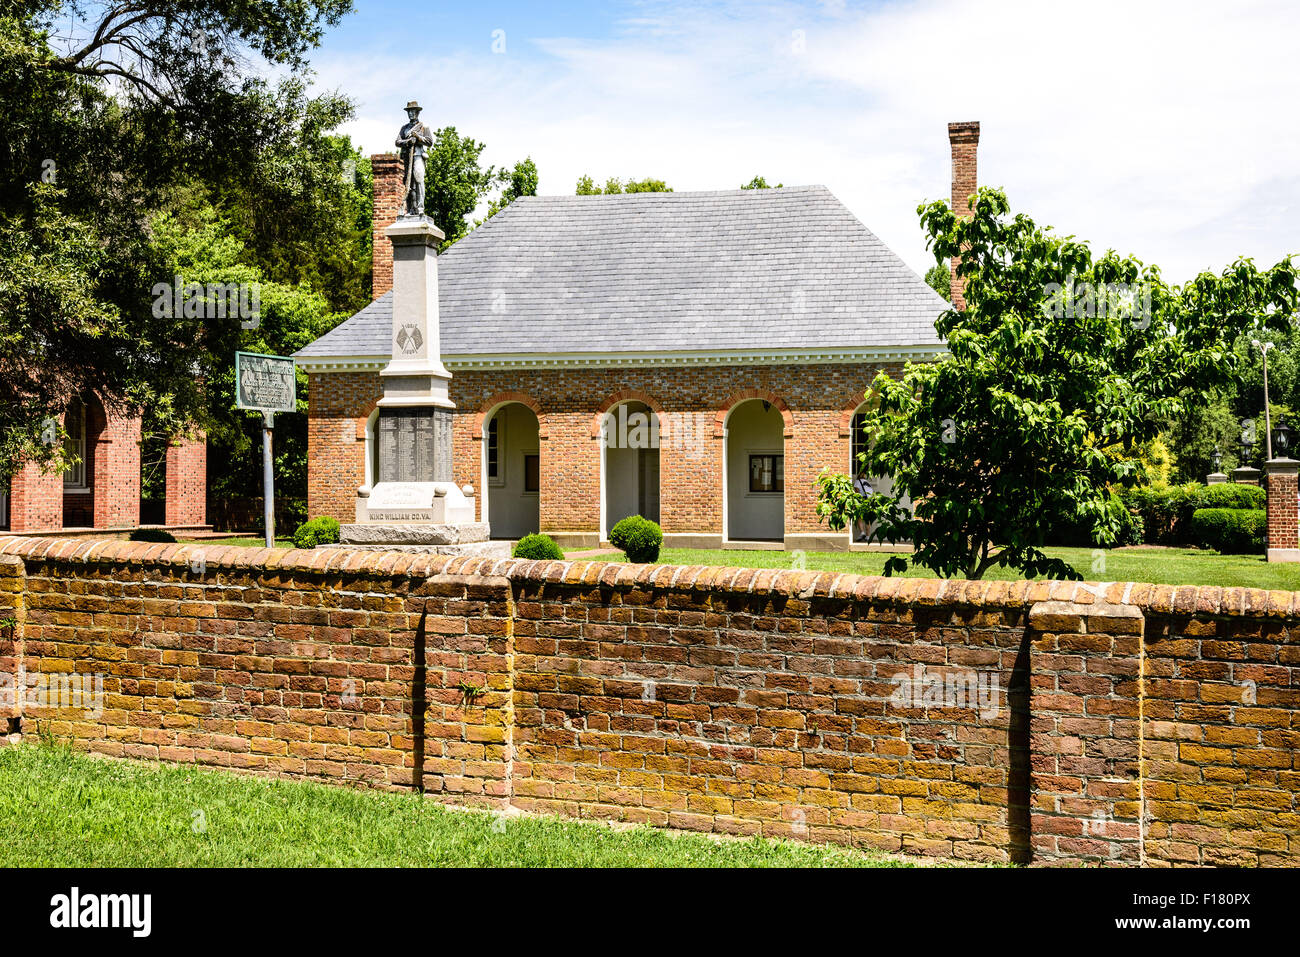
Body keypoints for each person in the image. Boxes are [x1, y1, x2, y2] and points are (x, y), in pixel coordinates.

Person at [396, 100, 434, 217]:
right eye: (409, 112)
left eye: (413, 111)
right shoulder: (404, 128)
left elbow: (429, 141)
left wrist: (418, 138)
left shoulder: (423, 127)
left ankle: (420, 207)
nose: (411, 114)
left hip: (418, 155)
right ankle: (411, 208)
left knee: (418, 178)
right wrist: (407, 142)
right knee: (408, 182)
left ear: (417, 113)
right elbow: (397, 142)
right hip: (407, 157)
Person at [852, 473, 873, 542]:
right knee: (867, 519)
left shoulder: (858, 482)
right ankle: (868, 536)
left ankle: (862, 533)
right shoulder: (867, 482)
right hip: (869, 501)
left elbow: (857, 492)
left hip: (862, 500)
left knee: (859, 517)